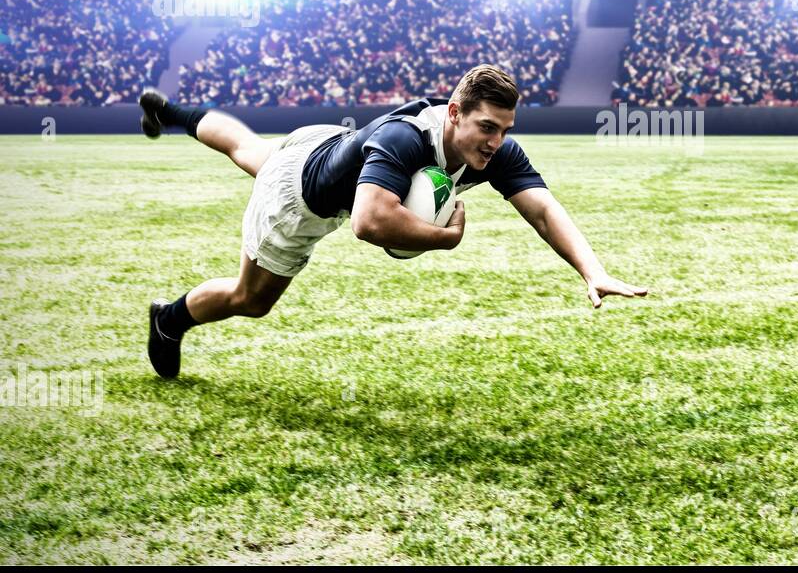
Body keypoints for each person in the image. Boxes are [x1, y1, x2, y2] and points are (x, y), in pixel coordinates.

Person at [138, 64, 647, 379]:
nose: (495, 141)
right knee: (251, 300)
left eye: (505, 129)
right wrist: (444, 240)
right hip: (298, 200)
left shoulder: (497, 152)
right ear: (454, 113)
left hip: (322, 146)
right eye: (485, 127)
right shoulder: (407, 138)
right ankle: (170, 318)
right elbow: (369, 223)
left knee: (248, 147)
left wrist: (592, 270)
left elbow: (541, 208)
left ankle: (173, 114)